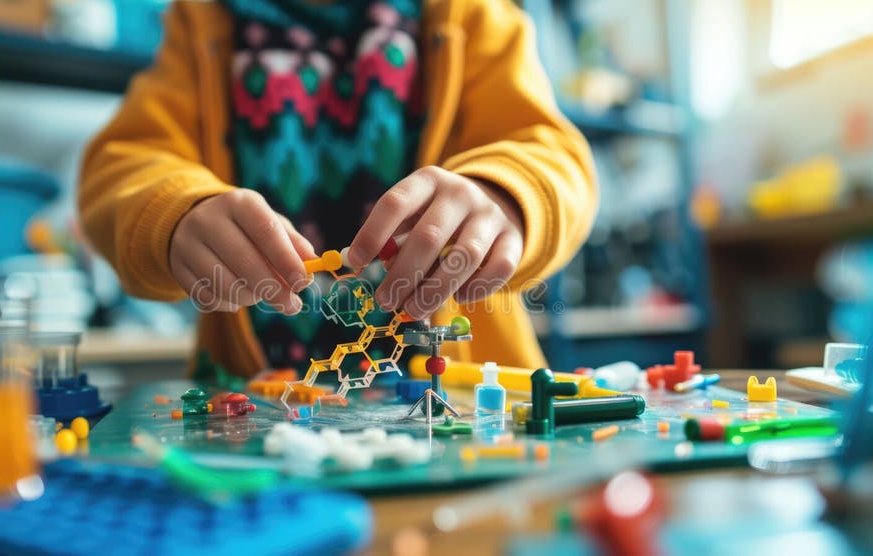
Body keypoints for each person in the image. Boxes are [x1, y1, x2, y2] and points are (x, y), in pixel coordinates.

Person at [78, 0, 597, 377]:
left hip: (460, 409)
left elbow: (552, 152)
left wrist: (503, 196)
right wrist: (176, 213)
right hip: (254, 419)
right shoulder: (203, 20)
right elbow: (123, 162)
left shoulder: (472, 14)